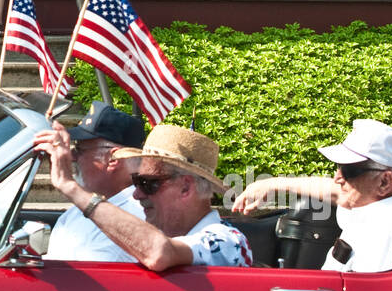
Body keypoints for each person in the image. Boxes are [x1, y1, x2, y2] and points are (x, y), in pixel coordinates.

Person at [35, 122, 250, 271]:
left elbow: (158, 253)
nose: (137, 194)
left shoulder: (227, 241)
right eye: (137, 182)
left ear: (186, 187)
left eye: (148, 184)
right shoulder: (156, 234)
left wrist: (71, 187)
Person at [230, 119, 392, 272]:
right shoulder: (372, 204)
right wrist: (271, 184)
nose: (337, 177)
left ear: (384, 182)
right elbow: (330, 190)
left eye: (349, 171)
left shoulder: (390, 228)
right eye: (339, 167)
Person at [38, 102, 146, 262]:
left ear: (112, 159)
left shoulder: (140, 215)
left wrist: (68, 184)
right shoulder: (73, 214)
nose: (72, 157)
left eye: (80, 150)